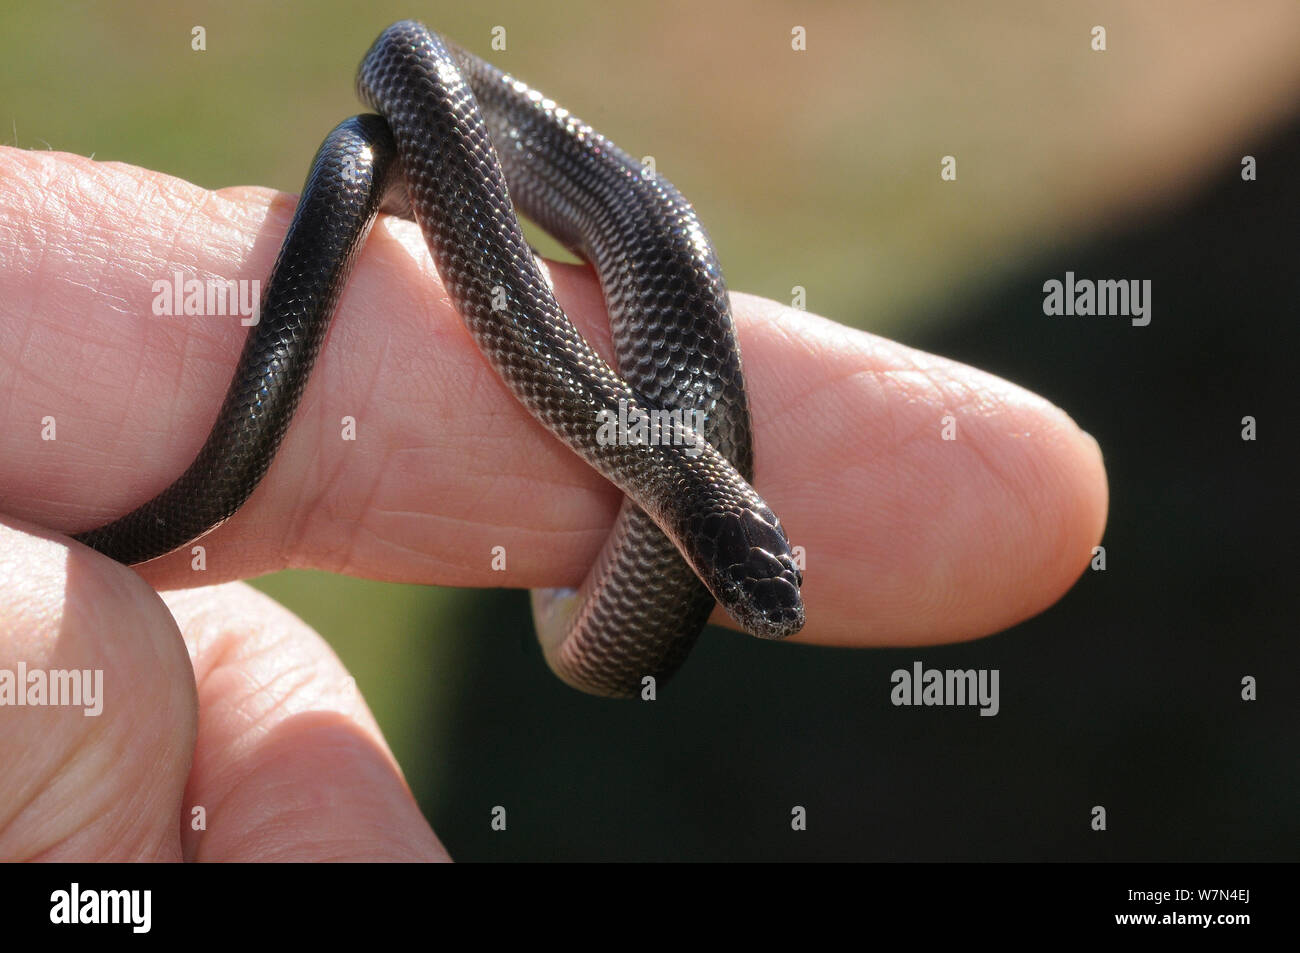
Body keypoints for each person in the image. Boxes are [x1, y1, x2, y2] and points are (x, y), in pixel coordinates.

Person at [0, 146, 1107, 861]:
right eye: (744, 583)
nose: (761, 605)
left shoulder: (671, 461)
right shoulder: (656, 455)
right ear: (711, 538)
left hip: (615, 351)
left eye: (764, 582)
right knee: (365, 153)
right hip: (457, 141)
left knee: (375, 150)